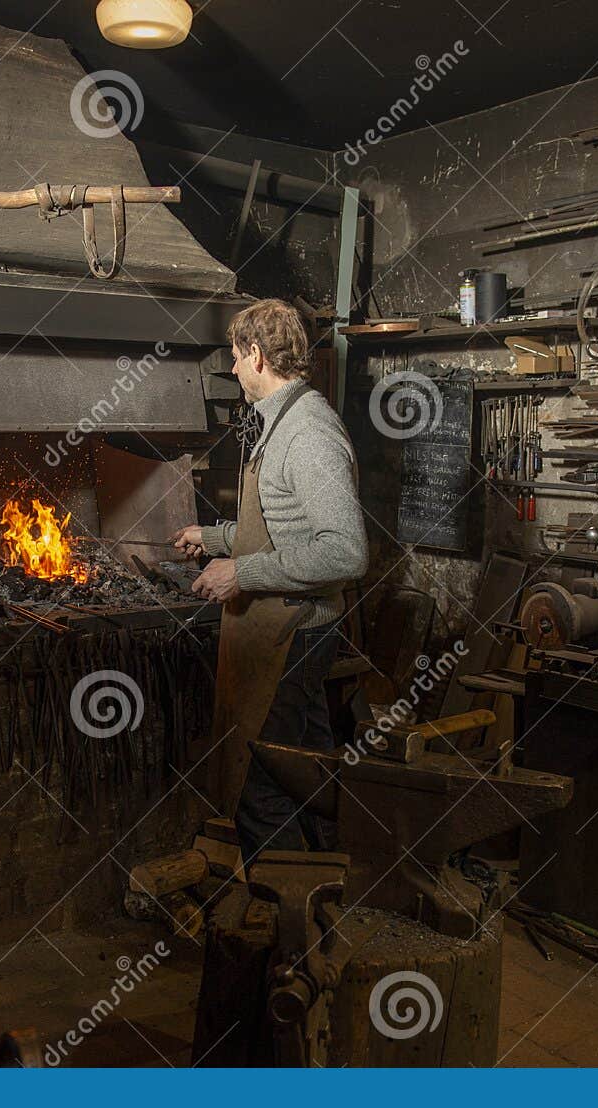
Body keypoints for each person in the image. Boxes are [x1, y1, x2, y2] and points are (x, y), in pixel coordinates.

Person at [174, 298, 368, 863]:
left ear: (257, 355)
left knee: (262, 790)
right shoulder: (282, 422)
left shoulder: (308, 435)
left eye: (236, 357)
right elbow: (283, 525)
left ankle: (280, 927)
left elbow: (346, 552)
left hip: (294, 633)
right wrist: (211, 539)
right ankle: (331, 892)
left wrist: (243, 572)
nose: (232, 369)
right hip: (286, 626)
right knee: (308, 774)